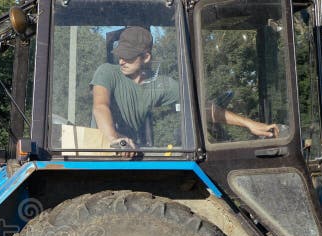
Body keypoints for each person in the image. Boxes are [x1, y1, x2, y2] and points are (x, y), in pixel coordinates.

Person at [91, 26, 279, 152]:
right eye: (120, 55)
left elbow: (202, 109)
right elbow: (100, 106)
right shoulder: (107, 72)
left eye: (128, 56)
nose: (122, 60)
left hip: (129, 150)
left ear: (146, 57)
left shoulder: (160, 85)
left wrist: (250, 124)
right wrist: (116, 140)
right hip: (101, 149)